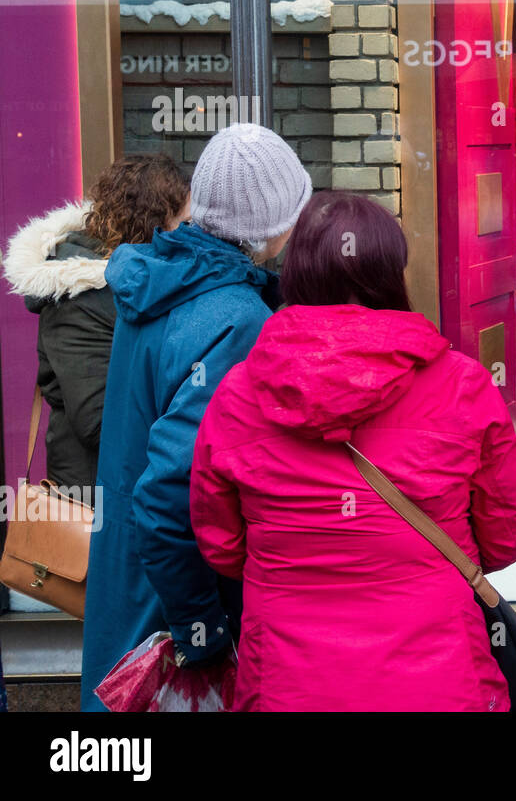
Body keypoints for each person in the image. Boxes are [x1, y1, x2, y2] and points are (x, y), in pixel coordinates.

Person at [190, 191, 516, 711]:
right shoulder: (462, 385)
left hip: (287, 687)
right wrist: (437, 556)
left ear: (298, 274)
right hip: (439, 682)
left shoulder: (238, 394)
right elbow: (512, 527)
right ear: (391, 272)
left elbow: (220, 543)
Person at [80, 124, 311, 712]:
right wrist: (202, 633)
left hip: (128, 588)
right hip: (175, 607)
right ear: (273, 225)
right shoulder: (235, 318)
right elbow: (167, 498)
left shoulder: (160, 283)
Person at [2, 155, 191, 496]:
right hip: (93, 494)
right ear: (152, 225)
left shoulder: (139, 285)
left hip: (126, 481)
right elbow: (98, 423)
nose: (191, 236)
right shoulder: (78, 298)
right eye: (184, 223)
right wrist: (189, 419)